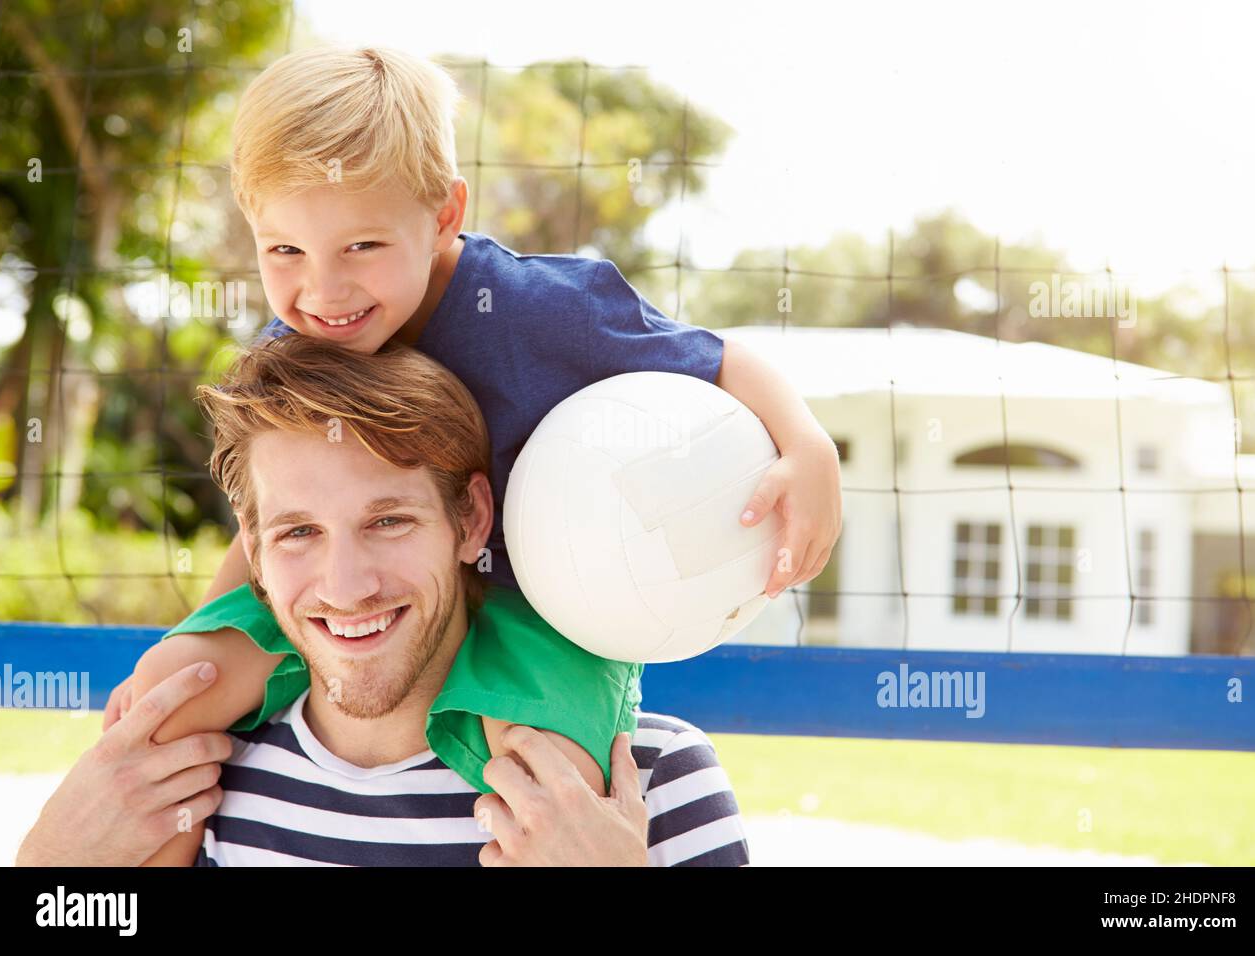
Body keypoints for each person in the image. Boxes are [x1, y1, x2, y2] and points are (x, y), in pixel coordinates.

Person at [100, 45, 841, 865]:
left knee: (547, 790)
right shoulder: (300, 342)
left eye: (363, 248)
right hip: (366, 592)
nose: (325, 291)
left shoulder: (542, 310)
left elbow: (720, 358)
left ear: (446, 215)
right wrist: (212, 623)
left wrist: (807, 446)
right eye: (286, 253)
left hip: (539, 616)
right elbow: (283, 522)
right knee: (162, 700)